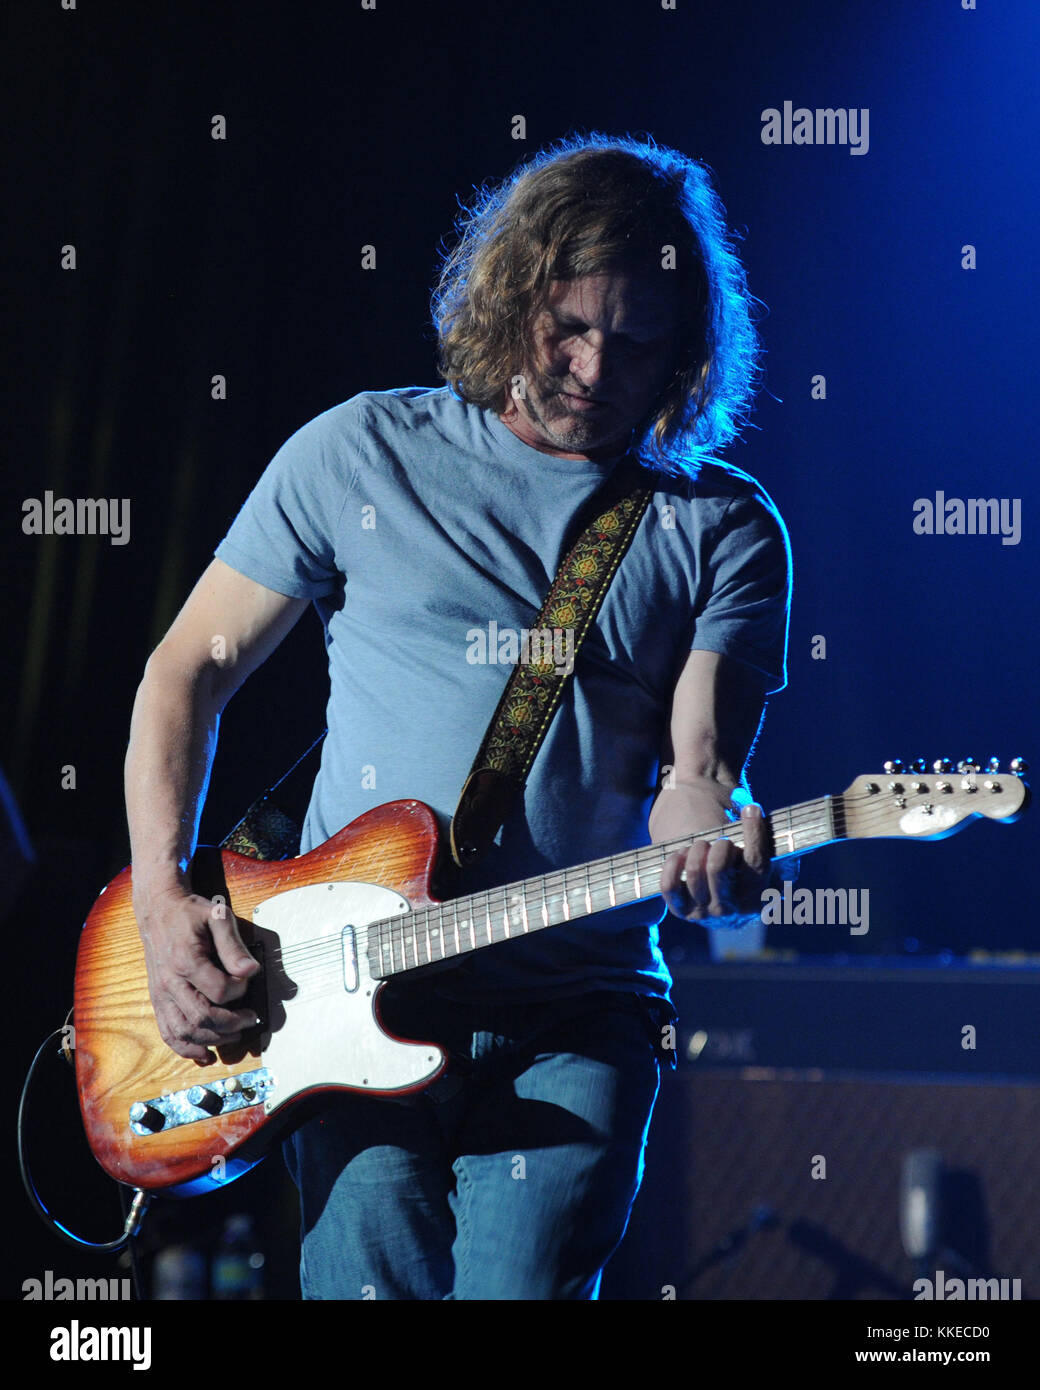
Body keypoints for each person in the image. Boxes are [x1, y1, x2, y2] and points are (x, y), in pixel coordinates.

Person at [124, 134, 791, 1300]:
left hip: (576, 1008)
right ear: (509, 291)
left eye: (635, 343)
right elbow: (184, 673)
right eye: (567, 326)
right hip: (343, 993)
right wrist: (161, 895)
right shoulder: (361, 450)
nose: (592, 367)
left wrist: (707, 815)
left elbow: (698, 765)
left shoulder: (719, 527)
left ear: (683, 353)